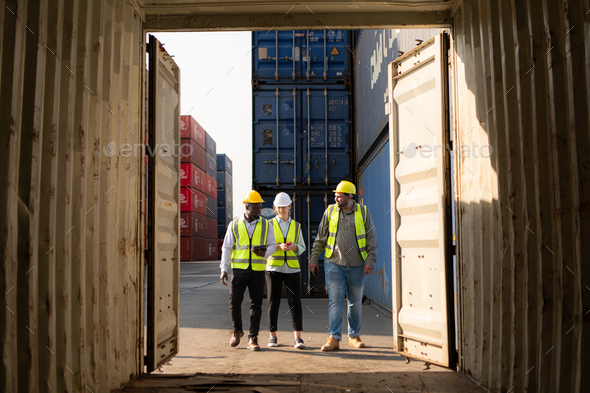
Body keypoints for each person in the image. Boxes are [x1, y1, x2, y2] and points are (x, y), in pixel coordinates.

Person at [309, 180, 378, 351]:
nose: (336, 198)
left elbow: (371, 238)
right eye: (335, 196)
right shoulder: (331, 211)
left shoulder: (363, 212)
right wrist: (313, 258)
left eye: (339, 196)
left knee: (355, 302)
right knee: (335, 301)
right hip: (334, 264)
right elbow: (320, 237)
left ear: (349, 197)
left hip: (357, 265)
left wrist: (370, 261)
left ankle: (354, 336)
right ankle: (334, 338)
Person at [220, 190, 276, 351]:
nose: (259, 210)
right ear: (247, 206)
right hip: (239, 270)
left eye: (260, 207)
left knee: (256, 305)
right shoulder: (235, 224)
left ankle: (253, 338)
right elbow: (227, 248)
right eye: (256, 208)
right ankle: (237, 330)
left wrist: (265, 252)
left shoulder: (266, 224)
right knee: (234, 301)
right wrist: (223, 268)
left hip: (258, 271)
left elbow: (272, 245)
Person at [265, 192, 306, 349]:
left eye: (284, 206)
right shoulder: (268, 225)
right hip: (273, 267)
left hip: (292, 269)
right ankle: (272, 337)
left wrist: (293, 247)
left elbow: (302, 247)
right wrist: (278, 247)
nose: (282, 209)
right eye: (279, 207)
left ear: (290, 207)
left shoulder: (296, 226)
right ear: (275, 208)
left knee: (295, 302)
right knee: (272, 302)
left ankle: (298, 338)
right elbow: (265, 247)